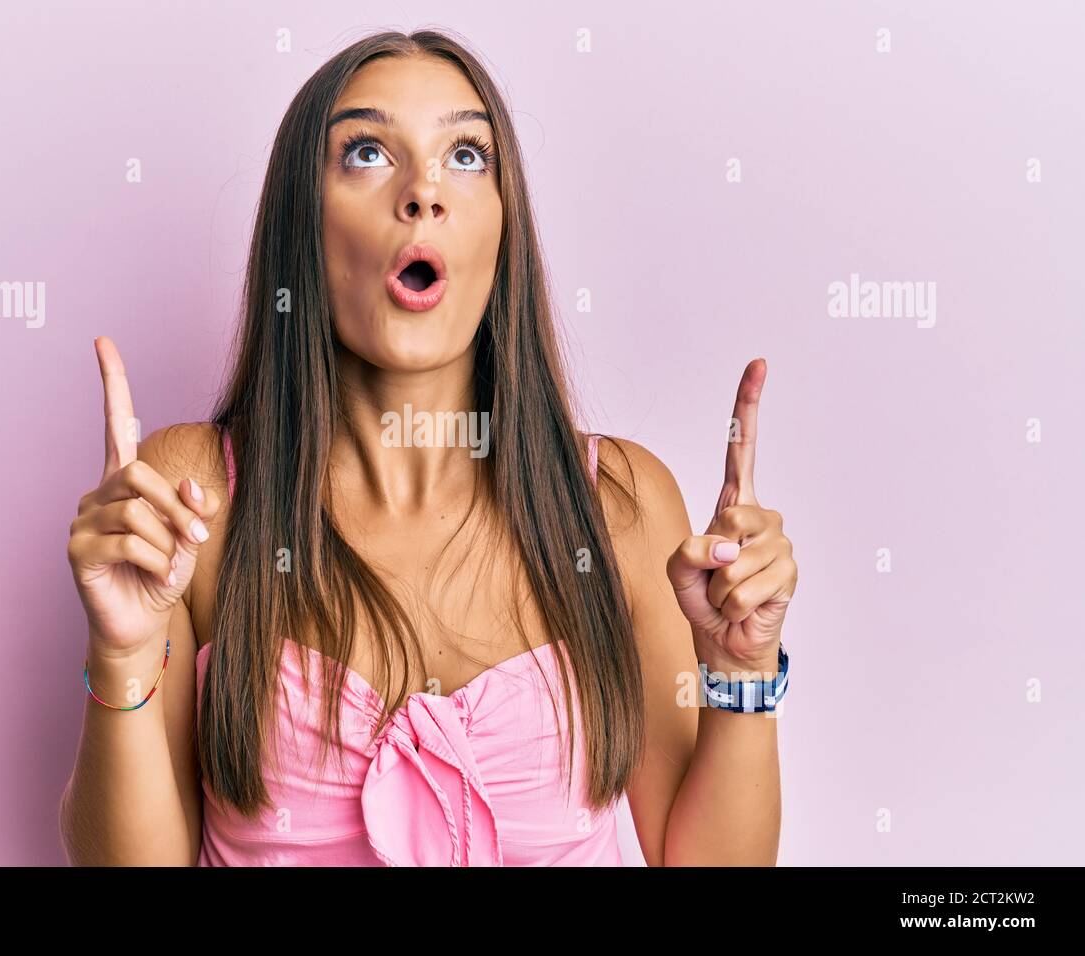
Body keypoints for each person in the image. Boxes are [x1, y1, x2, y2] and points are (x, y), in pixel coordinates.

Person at [59, 29, 797, 867]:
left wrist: (743, 668)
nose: (425, 193)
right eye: (368, 152)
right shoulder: (194, 497)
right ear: (303, 223)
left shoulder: (619, 506)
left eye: (467, 154)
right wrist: (120, 654)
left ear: (502, 231)